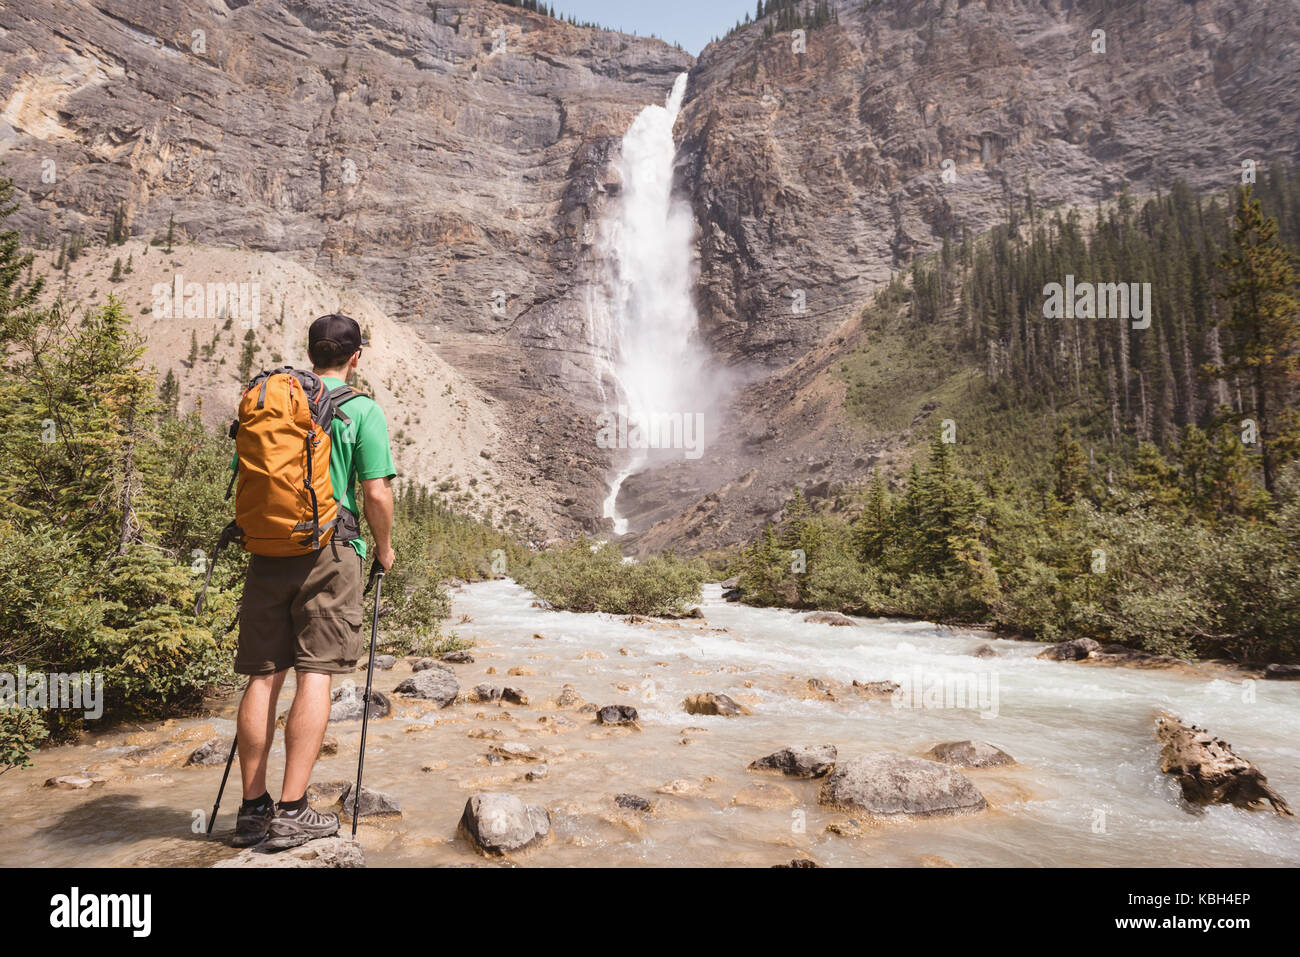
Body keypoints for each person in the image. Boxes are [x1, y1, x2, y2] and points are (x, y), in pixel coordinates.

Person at [230, 313, 396, 850]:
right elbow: (375, 493)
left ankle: (252, 809)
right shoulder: (361, 409)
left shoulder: (272, 400)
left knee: (263, 675)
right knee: (315, 674)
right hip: (331, 552)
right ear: (356, 357)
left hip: (267, 549)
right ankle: (294, 809)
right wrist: (386, 548)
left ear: (310, 353)